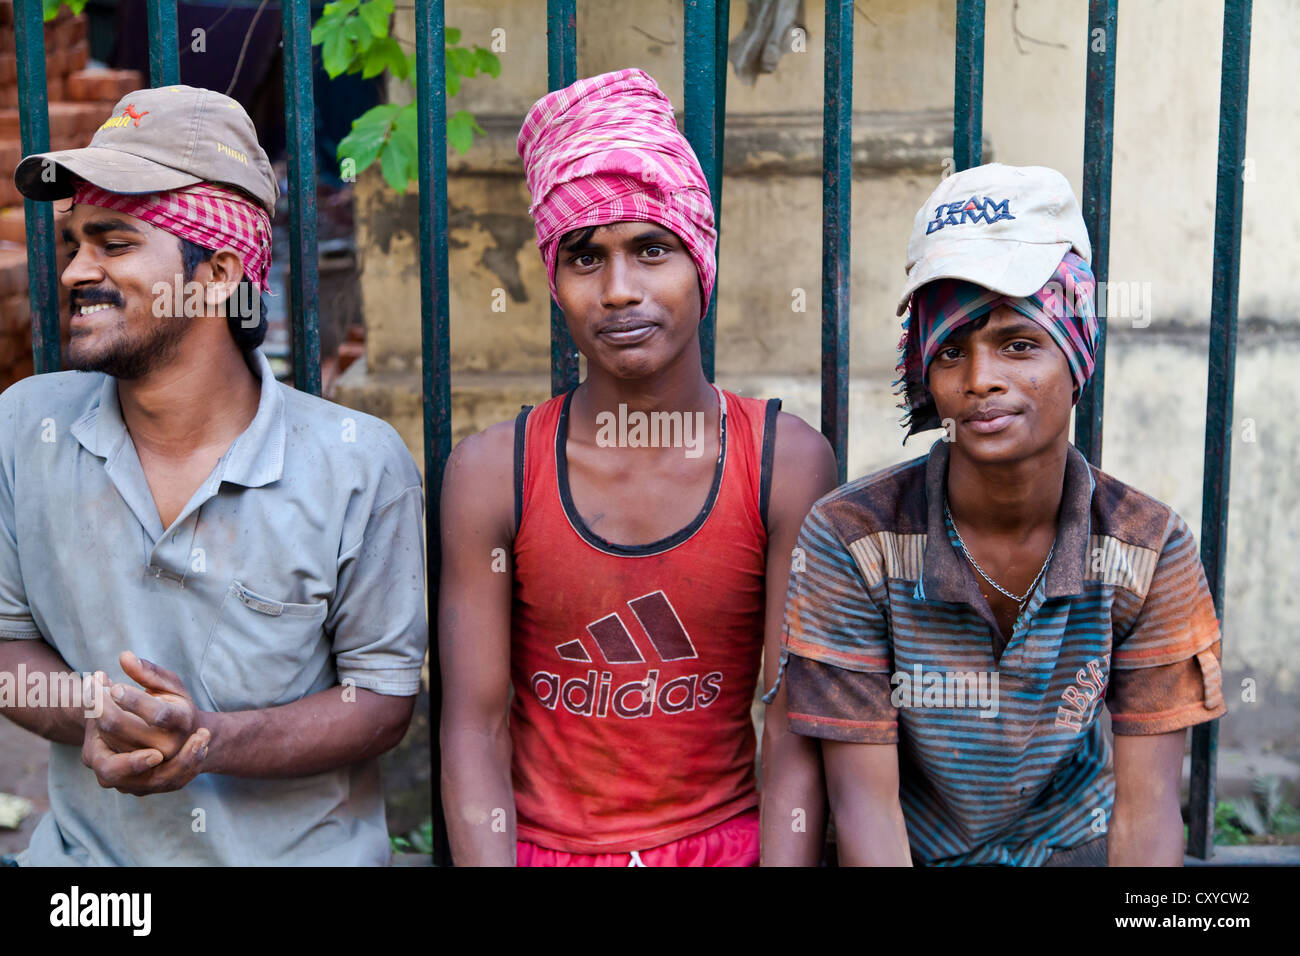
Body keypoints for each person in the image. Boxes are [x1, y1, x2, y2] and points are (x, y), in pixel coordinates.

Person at [1, 85, 427, 865]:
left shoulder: (357, 464)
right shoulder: (27, 428)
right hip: (87, 877)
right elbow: (7, 650)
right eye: (74, 245)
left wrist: (210, 738)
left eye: (114, 244)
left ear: (218, 271)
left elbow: (382, 702)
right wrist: (100, 712)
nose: (73, 273)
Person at [771, 163, 1227, 866]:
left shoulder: (1148, 545)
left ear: (1078, 353)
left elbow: (1148, 811)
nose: (980, 378)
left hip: (1075, 846)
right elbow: (866, 808)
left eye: (1019, 344)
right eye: (952, 350)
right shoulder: (854, 538)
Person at [438, 68, 837, 866]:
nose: (619, 291)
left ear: (701, 262)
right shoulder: (492, 474)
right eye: (586, 257)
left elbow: (793, 718)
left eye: (651, 250)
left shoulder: (785, 464)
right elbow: (473, 725)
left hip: (725, 848)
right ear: (554, 278)